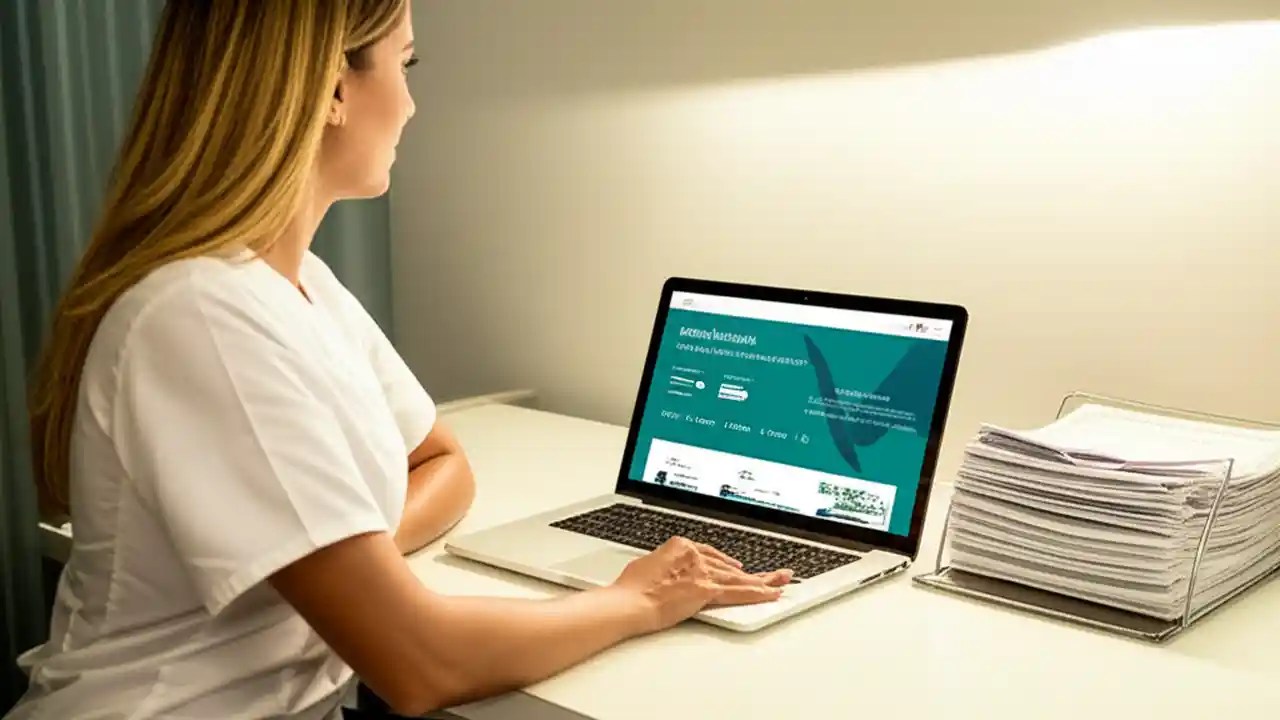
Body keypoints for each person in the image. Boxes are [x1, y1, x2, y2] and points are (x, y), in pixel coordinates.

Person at [7, 2, 791, 718]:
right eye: (404, 64)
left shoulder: (300, 285)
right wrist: (639, 600)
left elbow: (444, 459)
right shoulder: (200, 317)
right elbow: (420, 662)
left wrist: (350, 567)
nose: (412, 104)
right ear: (331, 90)